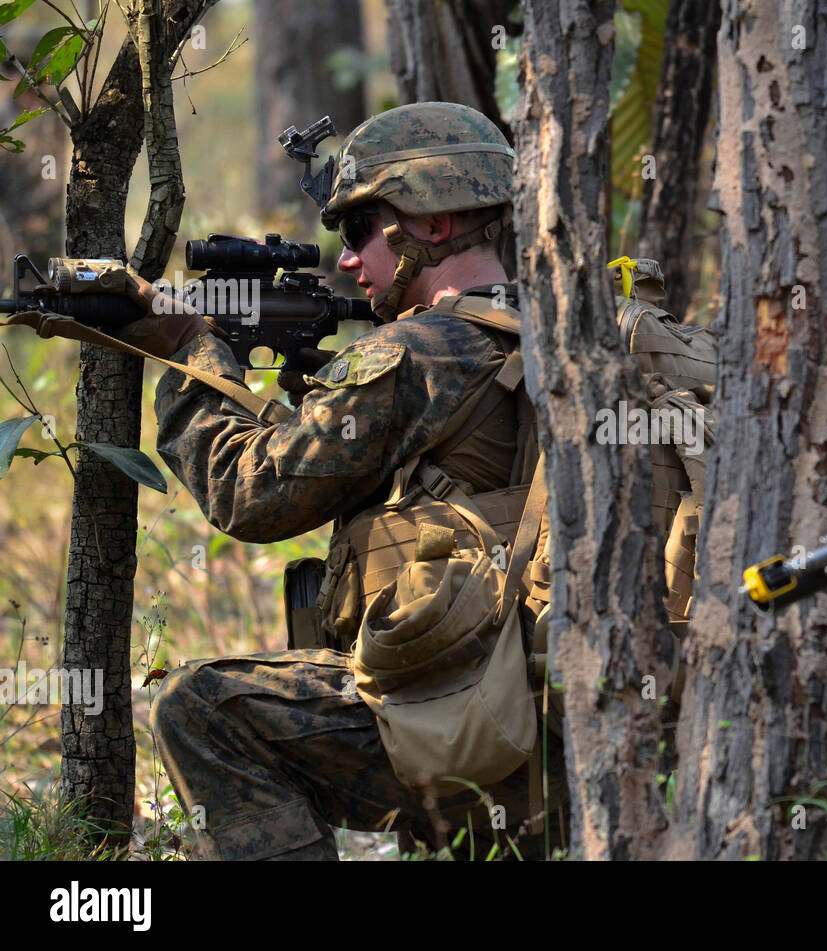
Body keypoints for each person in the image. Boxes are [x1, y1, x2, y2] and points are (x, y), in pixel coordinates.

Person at [118, 101, 558, 860]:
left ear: (433, 223)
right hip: (581, 749)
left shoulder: (412, 353)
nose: (348, 260)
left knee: (203, 707)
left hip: (477, 745)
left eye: (358, 230)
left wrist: (193, 351)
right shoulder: (572, 333)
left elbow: (247, 491)